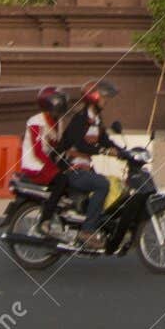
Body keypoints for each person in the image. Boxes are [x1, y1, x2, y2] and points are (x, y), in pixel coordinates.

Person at [58, 81, 117, 248]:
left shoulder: (96, 120)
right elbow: (82, 145)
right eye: (104, 98)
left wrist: (127, 153)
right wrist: (104, 151)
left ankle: (94, 223)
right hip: (71, 168)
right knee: (102, 184)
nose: (106, 102)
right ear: (94, 98)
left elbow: (105, 140)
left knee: (109, 183)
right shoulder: (80, 119)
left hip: (85, 167)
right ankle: (87, 231)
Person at [20, 87, 68, 232]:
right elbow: (38, 151)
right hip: (35, 165)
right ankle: (45, 220)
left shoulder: (58, 122)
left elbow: (57, 147)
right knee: (62, 180)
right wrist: (54, 168)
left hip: (46, 162)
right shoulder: (36, 121)